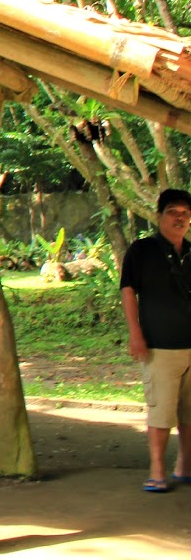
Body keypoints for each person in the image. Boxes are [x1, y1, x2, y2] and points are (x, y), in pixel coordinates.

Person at [120, 188, 191, 493]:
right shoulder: (142, 250)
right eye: (173, 212)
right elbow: (127, 291)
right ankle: (157, 470)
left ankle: (184, 467)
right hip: (159, 346)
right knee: (161, 412)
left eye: (185, 214)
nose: (180, 218)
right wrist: (136, 334)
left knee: (189, 413)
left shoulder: (190, 251)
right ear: (159, 215)